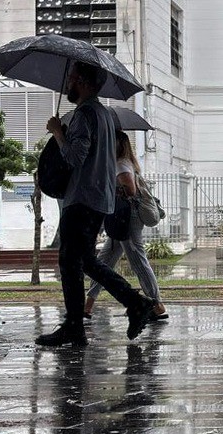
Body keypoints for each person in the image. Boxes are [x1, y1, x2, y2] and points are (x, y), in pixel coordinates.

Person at [38, 62, 158, 346]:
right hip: (98, 198)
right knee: (82, 261)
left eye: (72, 79)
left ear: (84, 82)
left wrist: (57, 130)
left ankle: (132, 303)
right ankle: (77, 326)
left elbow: (75, 158)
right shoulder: (104, 115)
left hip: (81, 198)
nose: (68, 84)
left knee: (72, 261)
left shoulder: (84, 114)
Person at [87, 130, 168, 321]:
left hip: (127, 217)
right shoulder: (121, 163)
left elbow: (130, 190)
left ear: (118, 145)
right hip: (120, 217)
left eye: (110, 142)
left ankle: (156, 304)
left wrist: (109, 190)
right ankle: (88, 304)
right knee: (104, 260)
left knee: (138, 261)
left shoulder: (121, 164)